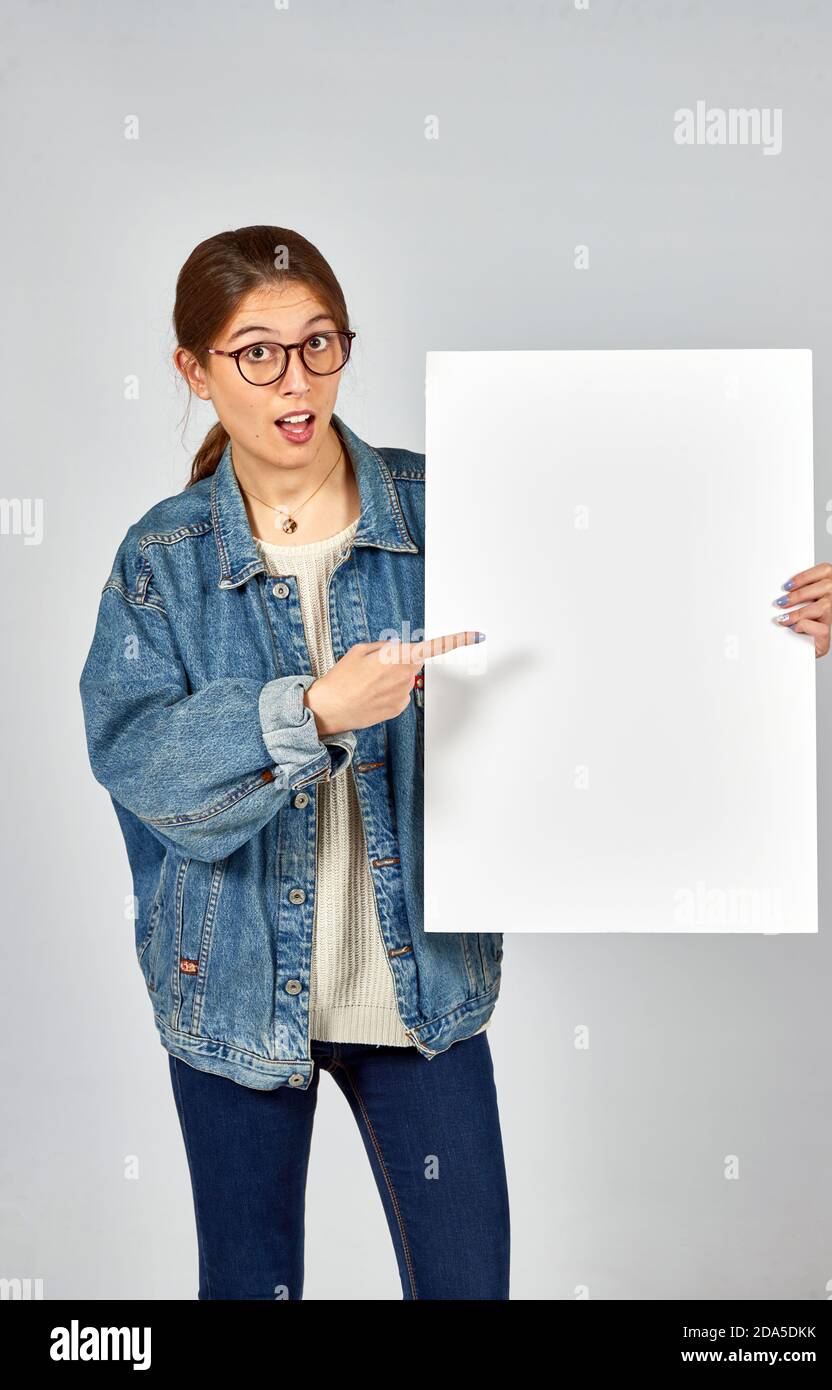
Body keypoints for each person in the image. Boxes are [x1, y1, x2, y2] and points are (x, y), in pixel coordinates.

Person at [79, 225, 509, 1300]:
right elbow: (141, 761)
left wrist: (761, 625)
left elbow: (582, 640)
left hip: (423, 987)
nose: (296, 379)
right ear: (195, 370)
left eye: (320, 343)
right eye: (257, 352)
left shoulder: (446, 508)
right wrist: (310, 711)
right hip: (231, 996)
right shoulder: (162, 558)